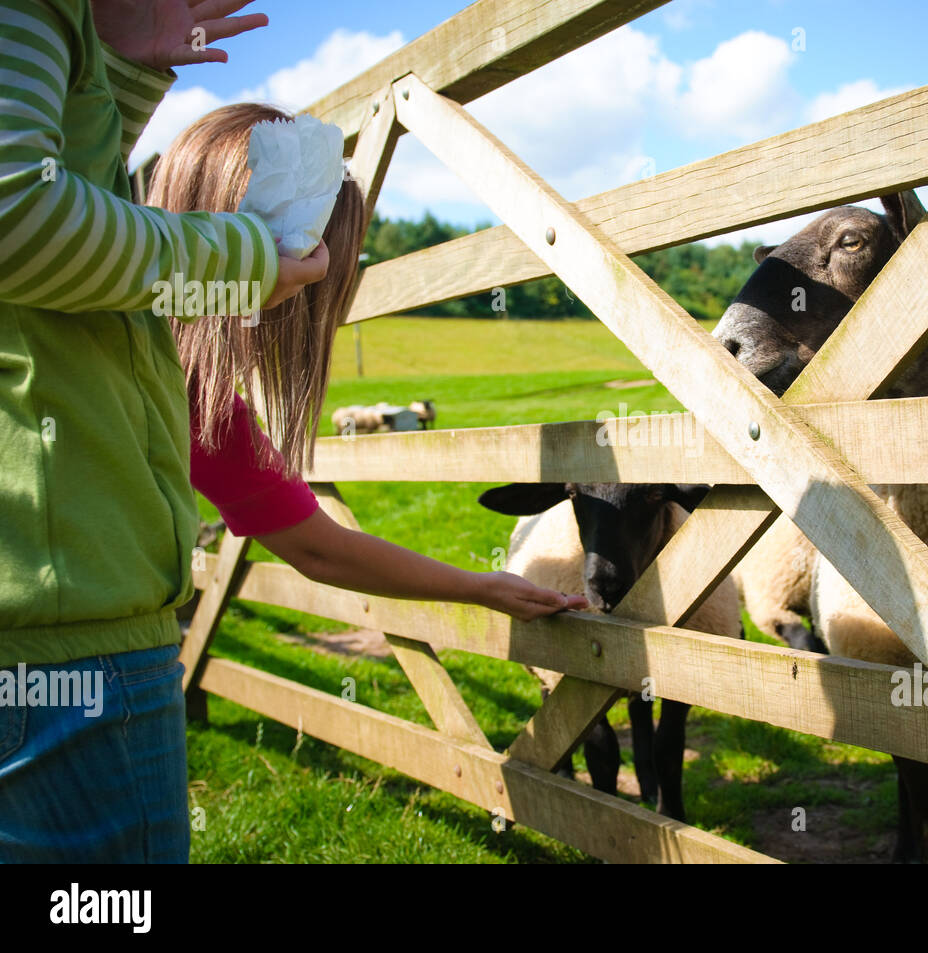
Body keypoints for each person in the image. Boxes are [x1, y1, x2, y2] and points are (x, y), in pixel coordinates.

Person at [0, 0, 326, 862]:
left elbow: (64, 263)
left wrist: (118, 68)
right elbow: (16, 225)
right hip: (70, 615)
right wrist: (247, 262)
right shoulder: (201, 392)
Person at [149, 102, 588, 619]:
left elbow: (317, 548)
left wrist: (484, 588)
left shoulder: (203, 403)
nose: (306, 295)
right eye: (305, 270)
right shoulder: (178, 389)